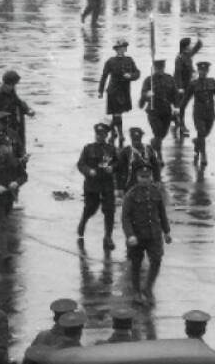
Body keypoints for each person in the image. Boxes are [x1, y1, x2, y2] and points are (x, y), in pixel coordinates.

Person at [120, 164, 171, 304]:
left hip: (154, 234)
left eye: (147, 176)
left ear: (151, 177)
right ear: (137, 177)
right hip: (137, 236)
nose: (144, 179)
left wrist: (166, 231)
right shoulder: (131, 195)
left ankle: (148, 288)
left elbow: (162, 213)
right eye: (142, 177)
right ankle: (136, 291)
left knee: (157, 260)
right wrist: (130, 235)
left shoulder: (156, 192)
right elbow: (125, 218)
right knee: (136, 264)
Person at [76, 122, 118, 251]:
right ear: (95, 135)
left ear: (106, 135)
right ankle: (83, 221)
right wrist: (89, 171)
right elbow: (80, 164)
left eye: (103, 134)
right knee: (91, 208)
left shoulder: (111, 149)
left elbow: (118, 162)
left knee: (109, 210)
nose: (100, 136)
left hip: (107, 184)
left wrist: (112, 168)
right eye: (98, 134)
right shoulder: (88, 148)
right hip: (92, 185)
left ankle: (108, 237)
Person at [0, 70, 35, 158]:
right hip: (0, 127)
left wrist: (27, 110)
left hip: (12, 126)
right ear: (6, 84)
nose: (13, 87)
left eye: (14, 85)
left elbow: (18, 102)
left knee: (16, 149)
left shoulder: (12, 93)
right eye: (12, 85)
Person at [188, 60, 215, 169]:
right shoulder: (193, 84)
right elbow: (185, 99)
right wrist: (179, 109)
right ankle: (203, 155)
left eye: (205, 70)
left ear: (208, 71)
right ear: (198, 71)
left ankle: (197, 143)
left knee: (205, 133)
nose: (203, 72)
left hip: (210, 113)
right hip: (198, 113)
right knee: (201, 132)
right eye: (201, 70)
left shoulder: (212, 82)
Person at [98, 40, 141, 140]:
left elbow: (137, 73)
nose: (123, 49)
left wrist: (130, 75)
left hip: (124, 91)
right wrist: (100, 91)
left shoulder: (129, 60)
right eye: (120, 48)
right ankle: (121, 135)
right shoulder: (110, 61)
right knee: (117, 114)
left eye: (124, 47)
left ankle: (111, 130)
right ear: (116, 49)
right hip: (113, 91)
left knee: (117, 114)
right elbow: (104, 76)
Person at [139, 59, 180, 153]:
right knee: (158, 132)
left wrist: (177, 107)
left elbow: (175, 93)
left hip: (166, 111)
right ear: (154, 68)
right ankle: (159, 155)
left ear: (164, 67)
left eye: (161, 68)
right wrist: (147, 94)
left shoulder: (169, 79)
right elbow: (143, 93)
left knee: (163, 134)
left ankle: (153, 144)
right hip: (153, 111)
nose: (159, 70)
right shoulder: (149, 80)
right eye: (157, 68)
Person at [172, 37, 202, 137]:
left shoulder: (187, 55)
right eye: (189, 45)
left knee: (181, 105)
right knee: (182, 106)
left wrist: (199, 42)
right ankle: (182, 126)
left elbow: (195, 50)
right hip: (180, 86)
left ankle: (175, 117)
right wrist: (179, 88)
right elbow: (178, 74)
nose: (190, 47)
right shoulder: (179, 58)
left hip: (187, 85)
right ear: (185, 47)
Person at [116, 126, 162, 192]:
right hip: (131, 185)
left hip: (147, 183)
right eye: (134, 140)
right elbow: (119, 170)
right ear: (131, 138)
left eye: (138, 139)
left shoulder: (148, 149)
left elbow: (155, 166)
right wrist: (119, 188)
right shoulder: (126, 151)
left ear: (141, 138)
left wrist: (157, 180)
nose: (136, 142)